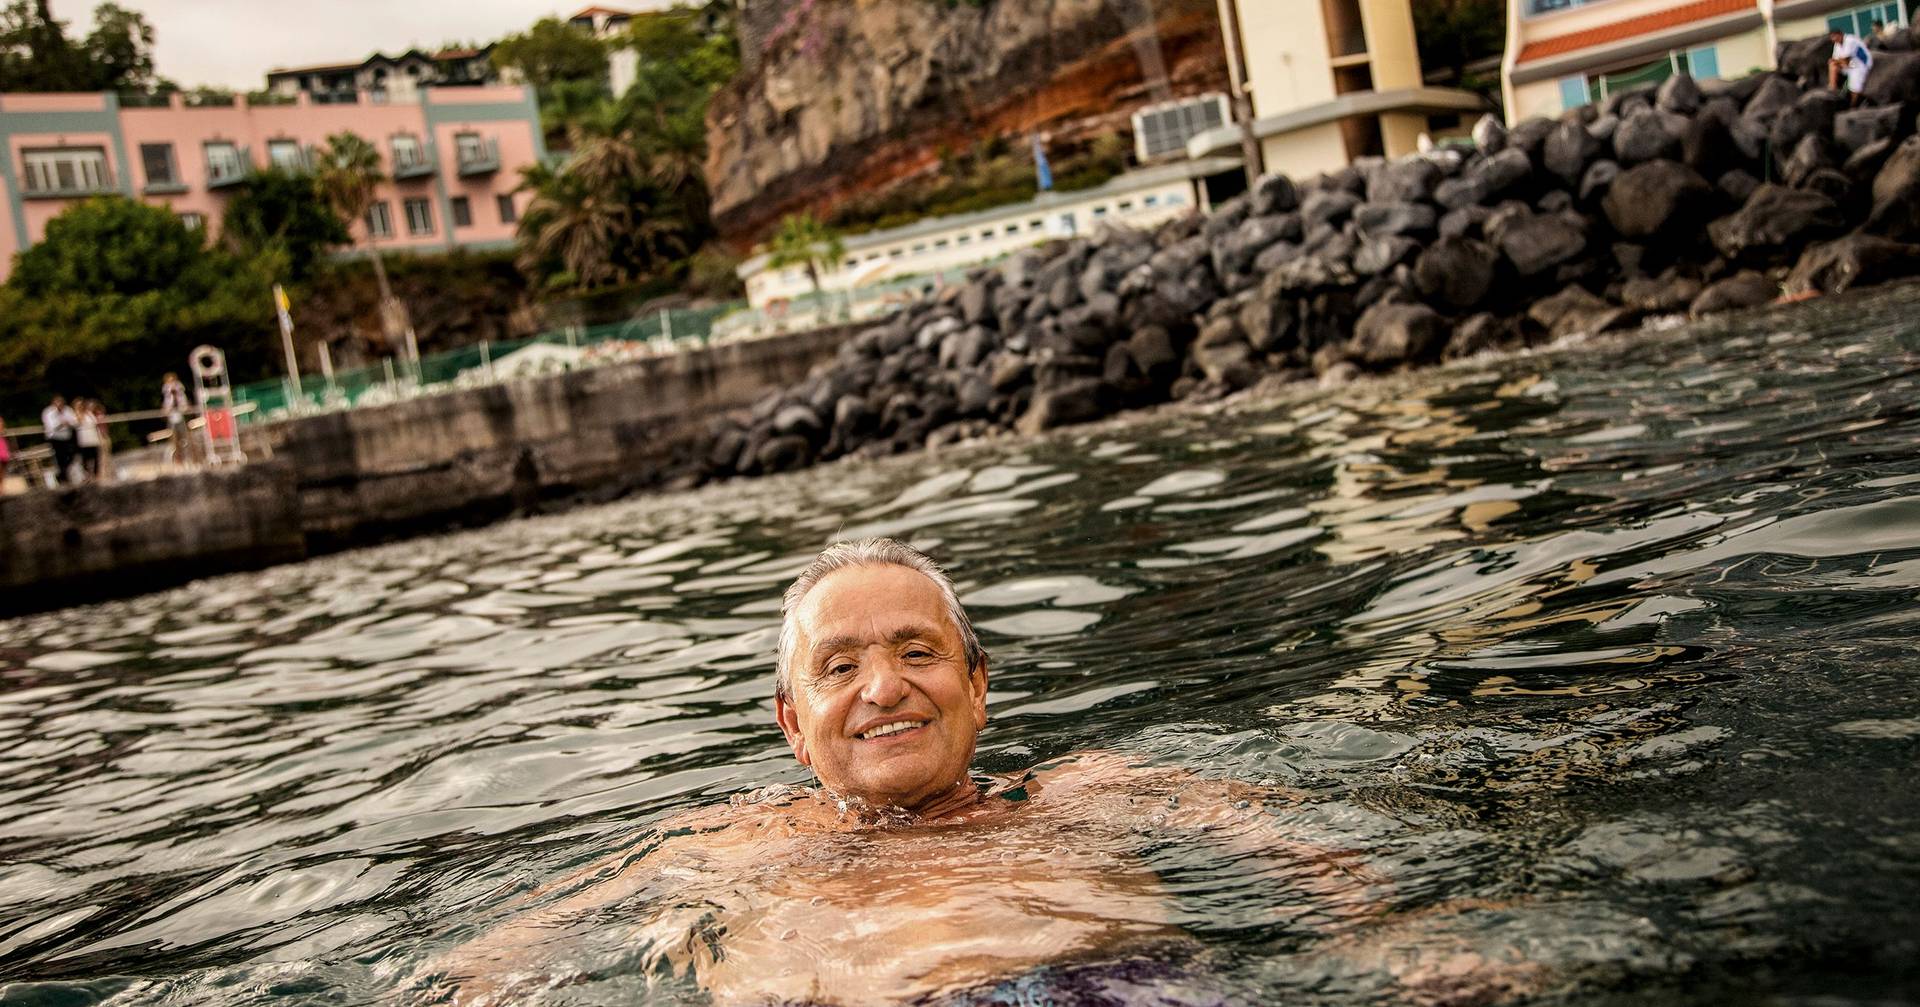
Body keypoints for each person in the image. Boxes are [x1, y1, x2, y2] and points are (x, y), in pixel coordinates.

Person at [425, 539, 1535, 1005]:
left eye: (918, 651)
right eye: (841, 664)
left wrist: (1407, 943)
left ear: (978, 681)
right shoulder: (720, 847)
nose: (885, 686)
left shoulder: (1091, 788)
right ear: (791, 723)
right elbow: (504, 958)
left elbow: (1300, 851)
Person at [1831, 27, 1873, 106]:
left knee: (1854, 86)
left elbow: (1846, 59)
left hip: (1860, 64)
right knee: (1833, 66)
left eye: (1835, 36)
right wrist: (1837, 61)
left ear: (1840, 34)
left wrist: (1838, 61)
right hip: (1850, 64)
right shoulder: (1837, 44)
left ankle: (1853, 105)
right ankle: (1832, 89)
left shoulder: (1850, 40)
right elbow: (1835, 60)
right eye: (1832, 37)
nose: (1833, 39)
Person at [40, 395, 76, 485]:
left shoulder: (67, 410)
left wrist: (68, 423)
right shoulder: (48, 412)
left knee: (70, 456)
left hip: (66, 436)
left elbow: (74, 421)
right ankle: (62, 476)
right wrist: (61, 423)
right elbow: (51, 426)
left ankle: (63, 473)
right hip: (55, 437)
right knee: (59, 457)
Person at [161, 372, 193, 466]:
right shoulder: (167, 394)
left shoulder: (180, 392)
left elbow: (184, 404)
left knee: (185, 439)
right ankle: (177, 459)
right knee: (174, 441)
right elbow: (166, 406)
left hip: (180, 418)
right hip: (172, 419)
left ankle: (187, 458)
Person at [73, 399, 101, 481]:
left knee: (96, 457)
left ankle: (96, 474)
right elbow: (78, 422)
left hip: (93, 438)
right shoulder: (76, 415)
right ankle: (87, 474)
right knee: (85, 458)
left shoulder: (89, 413)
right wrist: (78, 412)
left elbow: (94, 423)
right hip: (84, 440)